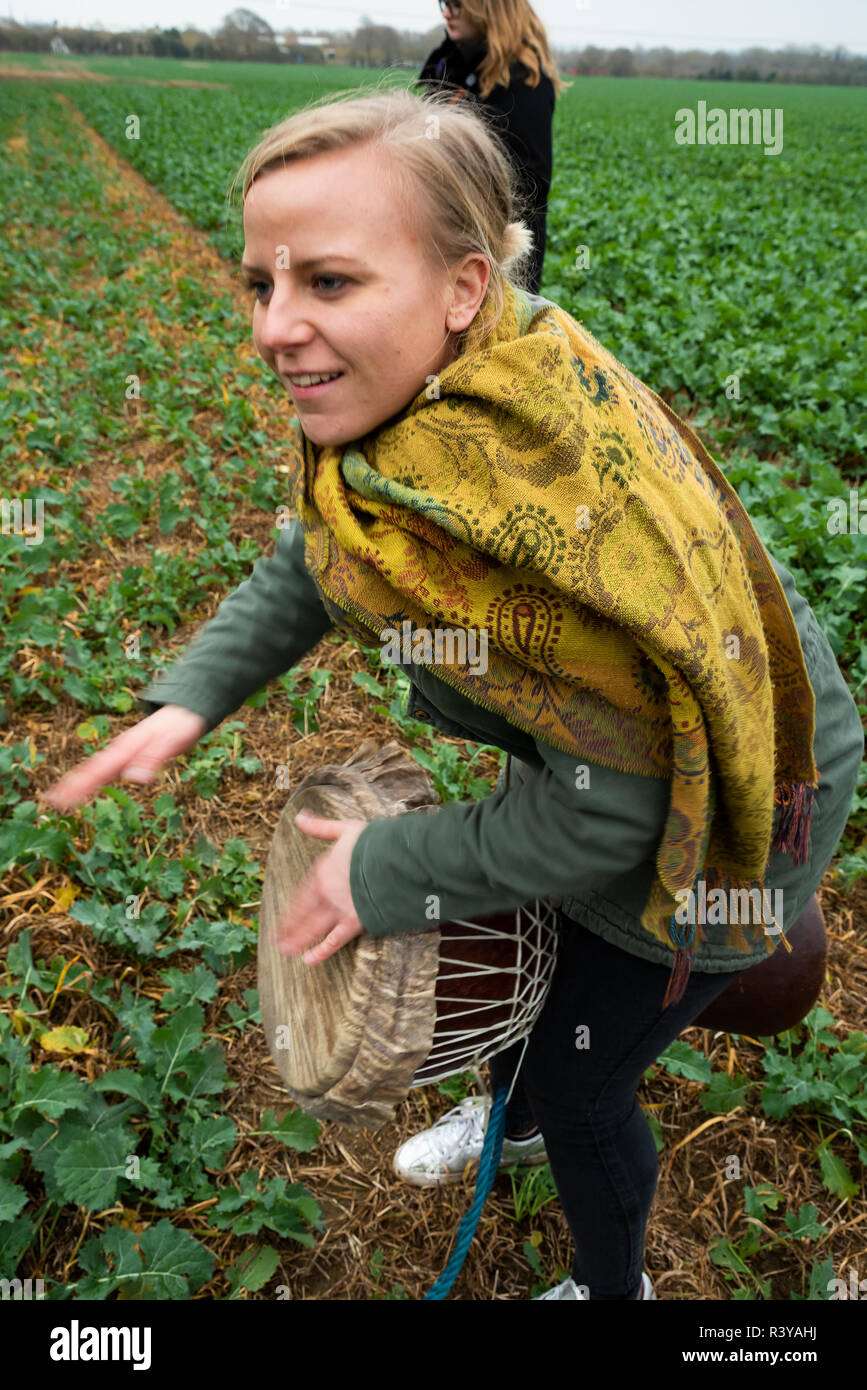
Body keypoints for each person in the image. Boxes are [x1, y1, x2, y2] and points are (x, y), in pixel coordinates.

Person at [42, 85, 864, 1302]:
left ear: (465, 287)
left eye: (327, 282)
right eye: (259, 284)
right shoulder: (429, 413)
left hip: (725, 788)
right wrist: (191, 698)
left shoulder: (529, 495)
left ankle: (611, 1274)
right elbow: (318, 557)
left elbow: (614, 814)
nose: (276, 326)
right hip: (615, 761)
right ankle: (519, 1106)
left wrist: (380, 869)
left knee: (590, 1067)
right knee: (552, 961)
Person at [417, 0, 563, 295]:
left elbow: (526, 186)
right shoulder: (448, 62)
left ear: (490, 8)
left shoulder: (523, 80)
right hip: (437, 231)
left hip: (491, 252)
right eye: (444, 3)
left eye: (457, 5)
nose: (447, 13)